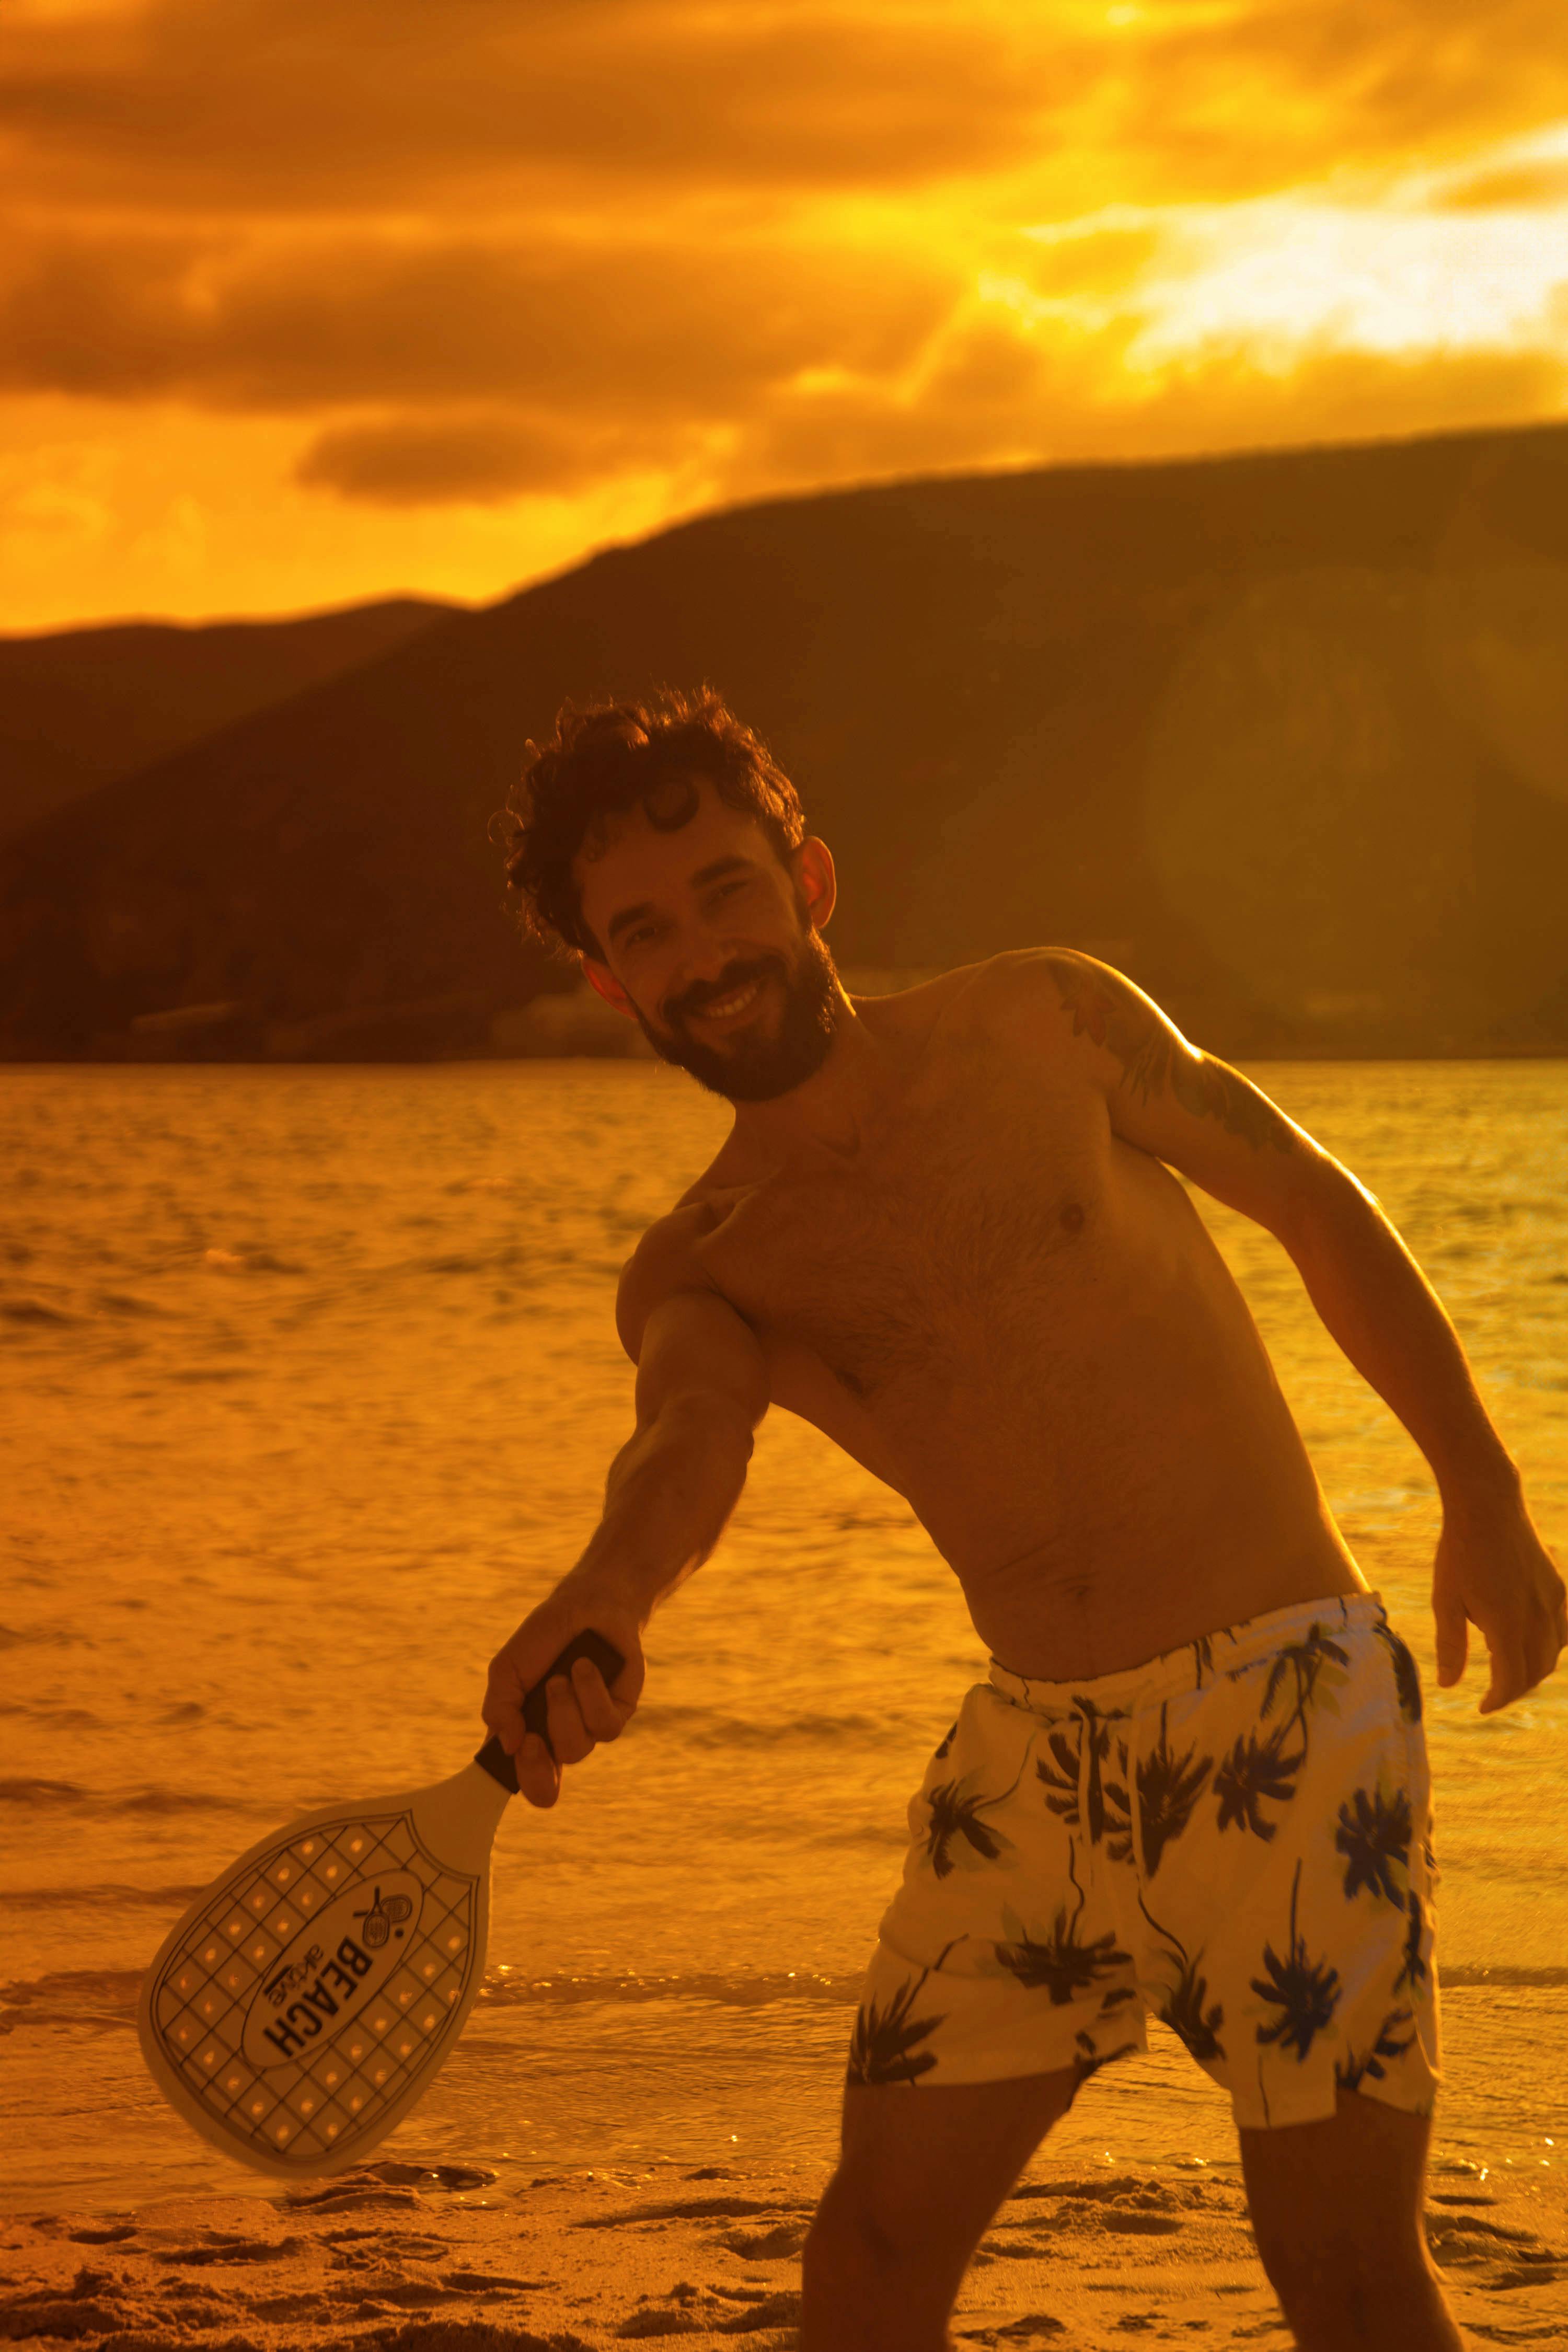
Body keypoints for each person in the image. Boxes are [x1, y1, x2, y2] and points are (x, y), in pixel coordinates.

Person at [483, 686, 1564, 2352]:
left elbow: (1310, 1198)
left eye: (726, 891)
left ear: (809, 881)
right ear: (608, 981)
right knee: (868, 2256)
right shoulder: (710, 1256)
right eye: (647, 932)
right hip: (1035, 1772)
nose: (704, 952)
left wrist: (1479, 1486)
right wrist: (606, 1592)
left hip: (1289, 1704)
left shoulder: (1043, 1020)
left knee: (1344, 2269)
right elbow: (685, 1439)